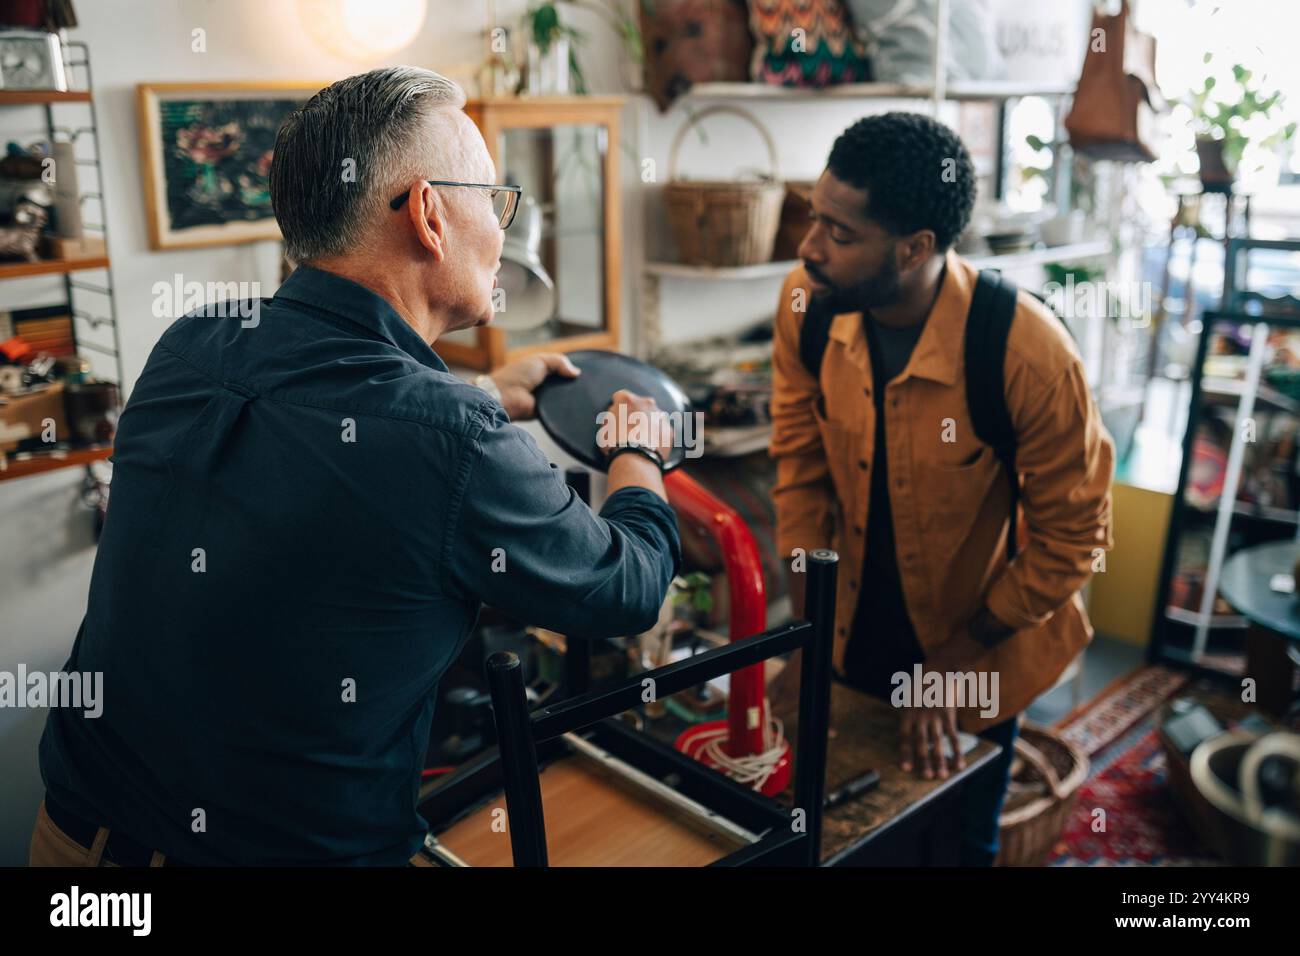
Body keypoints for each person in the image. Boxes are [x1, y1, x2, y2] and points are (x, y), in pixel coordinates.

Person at [31, 67, 680, 867]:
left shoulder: (192, 344)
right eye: (494, 198)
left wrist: (477, 391)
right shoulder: (451, 435)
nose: (504, 227)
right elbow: (628, 588)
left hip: (74, 846)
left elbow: (328, 435)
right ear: (431, 216)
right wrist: (638, 453)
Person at [767, 112, 1114, 865]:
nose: (809, 246)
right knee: (843, 845)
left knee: (957, 847)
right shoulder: (808, 305)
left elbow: (1073, 540)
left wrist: (951, 666)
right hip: (850, 629)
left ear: (915, 248)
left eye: (839, 233)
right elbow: (799, 470)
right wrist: (807, 636)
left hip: (979, 640)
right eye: (814, 214)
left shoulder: (1025, 353)